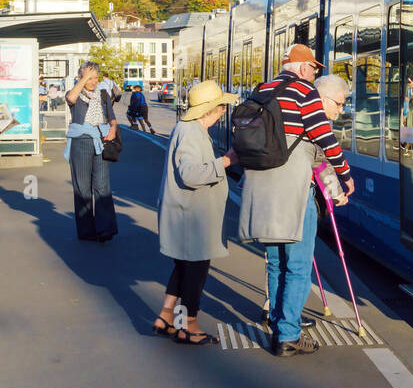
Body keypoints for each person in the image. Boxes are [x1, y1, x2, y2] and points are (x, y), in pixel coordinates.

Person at [239, 45, 355, 356]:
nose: (315, 74)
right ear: (303, 68)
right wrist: (344, 176)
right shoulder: (304, 92)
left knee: (276, 261)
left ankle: (278, 325)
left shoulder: (262, 89)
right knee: (299, 264)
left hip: (261, 185)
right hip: (292, 188)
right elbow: (325, 140)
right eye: (314, 69)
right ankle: (288, 335)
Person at [152, 80, 239, 345]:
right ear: (209, 110)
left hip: (187, 213)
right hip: (191, 216)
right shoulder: (190, 131)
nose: (224, 110)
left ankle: (166, 315)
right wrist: (226, 161)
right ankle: (188, 325)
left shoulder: (190, 128)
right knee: (196, 270)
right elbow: (189, 174)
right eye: (221, 106)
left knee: (183, 266)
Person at [65, 61, 119, 242]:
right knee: (82, 187)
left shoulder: (102, 94)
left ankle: (105, 228)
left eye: (95, 77)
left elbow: (112, 118)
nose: (93, 81)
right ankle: (86, 230)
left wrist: (112, 129)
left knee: (102, 185)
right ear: (80, 78)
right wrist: (84, 79)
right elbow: (70, 99)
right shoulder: (75, 94)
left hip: (101, 141)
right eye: (90, 78)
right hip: (80, 142)